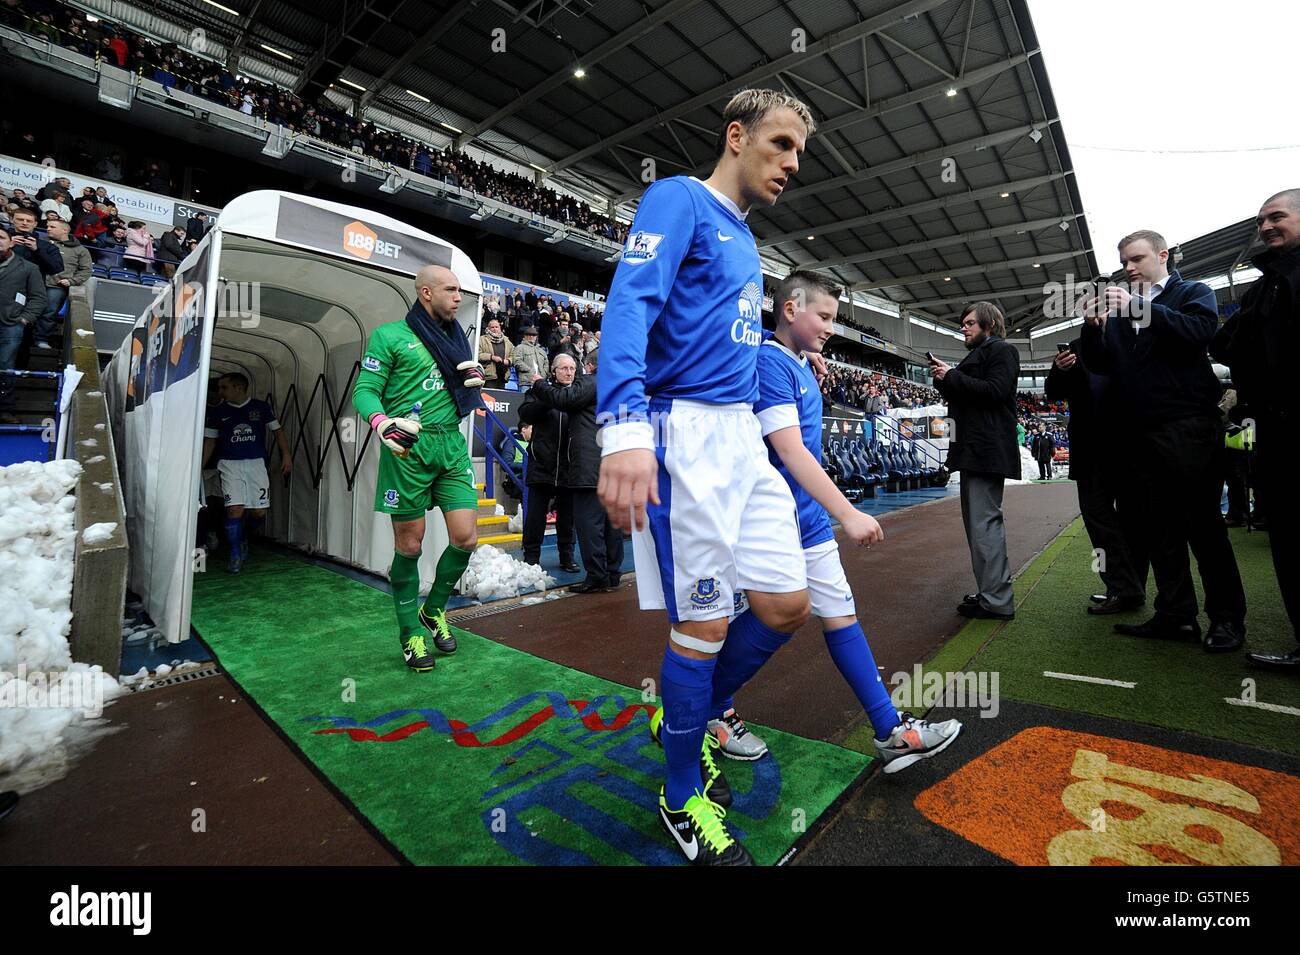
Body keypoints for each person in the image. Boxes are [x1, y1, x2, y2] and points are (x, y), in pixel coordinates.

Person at [596, 88, 816, 866]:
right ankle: (683, 790)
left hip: (739, 436)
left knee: (788, 603)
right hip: (679, 431)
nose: (792, 162)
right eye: (781, 143)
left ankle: (690, 710)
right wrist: (622, 427)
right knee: (701, 626)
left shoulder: (749, 243)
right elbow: (629, 302)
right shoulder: (679, 197)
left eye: (798, 151)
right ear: (736, 136)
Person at [706, 271, 962, 773]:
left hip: (806, 519)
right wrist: (847, 511)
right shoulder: (770, 362)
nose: (830, 328)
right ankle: (705, 710)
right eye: (822, 317)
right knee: (770, 618)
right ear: (790, 309)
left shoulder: (796, 360)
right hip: (770, 521)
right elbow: (790, 449)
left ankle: (890, 730)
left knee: (839, 614)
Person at [1080, 230, 1246, 652]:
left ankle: (1226, 619)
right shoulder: (1117, 311)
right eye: (1124, 262)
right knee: (1158, 530)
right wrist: (1092, 329)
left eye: (1136, 259)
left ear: (1163, 255)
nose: (1129, 268)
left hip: (1188, 427)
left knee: (1203, 527)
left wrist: (1138, 307)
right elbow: (1102, 365)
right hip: (1139, 434)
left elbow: (1201, 332)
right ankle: (1176, 615)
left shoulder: (1193, 291)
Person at [350, 264, 486, 672]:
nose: (458, 298)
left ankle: (434, 610)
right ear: (426, 293)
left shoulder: (457, 338)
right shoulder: (389, 335)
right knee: (410, 545)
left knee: (465, 538)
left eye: (460, 291)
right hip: (408, 447)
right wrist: (382, 423)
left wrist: (473, 380)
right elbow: (365, 391)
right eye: (451, 290)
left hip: (450, 445)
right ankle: (410, 631)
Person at [1212, 189, 1300, 670]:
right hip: (1275, 432)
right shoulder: (1265, 285)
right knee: (1287, 540)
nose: (1265, 227)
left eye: (1277, 217)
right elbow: (1229, 345)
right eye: (1261, 220)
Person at [930, 302, 1020, 620]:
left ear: (989, 324)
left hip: (986, 452)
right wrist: (944, 378)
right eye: (963, 323)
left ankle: (997, 600)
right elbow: (969, 394)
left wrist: (952, 375)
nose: (964, 328)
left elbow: (995, 391)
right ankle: (990, 592)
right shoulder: (981, 354)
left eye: (970, 323)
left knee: (985, 526)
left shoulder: (1003, 351)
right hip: (974, 452)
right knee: (978, 527)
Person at [1045, 339, 1148, 614]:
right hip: (1089, 449)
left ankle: (1131, 588)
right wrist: (1059, 369)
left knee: (1133, 521)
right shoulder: (1077, 348)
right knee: (1096, 518)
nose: (1096, 314)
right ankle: (1121, 586)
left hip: (1129, 447)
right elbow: (1053, 392)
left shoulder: (1130, 338)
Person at [525, 349, 624, 592]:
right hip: (612, 461)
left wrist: (538, 385)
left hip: (588, 466)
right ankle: (611, 573)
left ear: (588, 367)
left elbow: (566, 400)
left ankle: (598, 576)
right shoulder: (621, 385)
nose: (571, 373)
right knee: (611, 524)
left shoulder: (591, 382)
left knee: (589, 524)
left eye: (575, 368)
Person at [202, 373, 292, 573]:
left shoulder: (261, 408)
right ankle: (235, 554)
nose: (220, 392)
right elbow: (210, 441)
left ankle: (242, 537)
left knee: (259, 512)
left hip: (256, 465)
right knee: (235, 509)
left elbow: (278, 431)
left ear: (238, 387)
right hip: (229, 464)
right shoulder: (218, 413)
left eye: (224, 388)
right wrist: (199, 467)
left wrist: (286, 455)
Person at [517, 354, 581, 574]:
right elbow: (525, 414)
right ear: (553, 370)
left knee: (568, 518)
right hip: (541, 464)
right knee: (534, 517)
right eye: (564, 368)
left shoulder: (579, 392)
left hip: (569, 467)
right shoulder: (539, 390)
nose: (569, 372)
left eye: (572, 368)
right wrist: (548, 397)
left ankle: (567, 558)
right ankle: (531, 558)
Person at [0, 229, 46, 423]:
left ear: (12, 243)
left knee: (5, 366)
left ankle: (4, 409)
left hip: (10, 325)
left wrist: (24, 319)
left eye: (1, 238)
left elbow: (39, 298)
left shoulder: (28, 267)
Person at [34, 218, 91, 350]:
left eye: (52, 227)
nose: (48, 229)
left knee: (49, 312)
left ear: (65, 230)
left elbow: (86, 270)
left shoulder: (80, 250)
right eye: (48, 226)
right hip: (35, 282)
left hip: (56, 286)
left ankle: (41, 339)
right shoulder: (39, 242)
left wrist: (71, 281)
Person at [5, 208, 63, 276]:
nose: (24, 223)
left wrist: (37, 251)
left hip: (32, 285)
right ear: (12, 220)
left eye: (29, 221)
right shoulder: (2, 240)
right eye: (20, 220)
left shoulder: (47, 246)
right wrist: (6, 246)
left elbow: (56, 269)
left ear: (35, 224)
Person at [476, 315, 514, 387]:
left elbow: (513, 355)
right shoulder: (482, 340)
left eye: (496, 327)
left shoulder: (507, 340)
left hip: (503, 376)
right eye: (492, 327)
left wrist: (508, 361)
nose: (495, 329)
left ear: (500, 328)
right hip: (488, 376)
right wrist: (491, 357)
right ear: (488, 328)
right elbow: (477, 354)